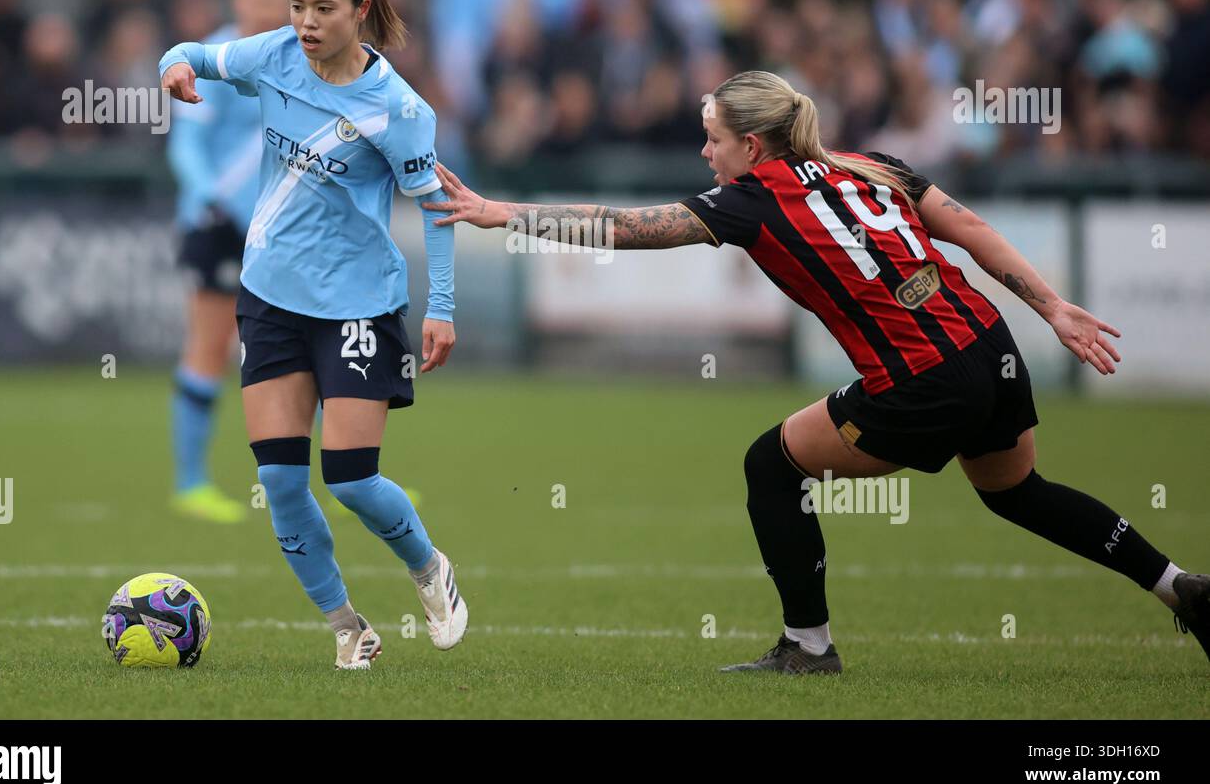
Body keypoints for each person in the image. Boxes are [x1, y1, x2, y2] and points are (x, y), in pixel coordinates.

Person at [424, 69, 1209, 674]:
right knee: (1017, 493)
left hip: (920, 380)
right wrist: (1054, 307)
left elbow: (627, 228)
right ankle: (1180, 587)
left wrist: (504, 213)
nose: (706, 152)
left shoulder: (749, 200)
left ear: (753, 148)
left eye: (713, 138)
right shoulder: (870, 164)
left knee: (772, 463)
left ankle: (808, 645)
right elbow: (969, 230)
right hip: (991, 348)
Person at [159, 0, 468, 670]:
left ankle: (429, 569)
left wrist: (443, 305)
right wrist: (172, 64)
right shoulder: (272, 54)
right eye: (296, 6)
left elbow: (437, 208)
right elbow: (196, 52)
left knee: (354, 479)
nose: (305, 21)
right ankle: (346, 627)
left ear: (361, 10)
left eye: (322, 9)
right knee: (279, 481)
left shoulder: (399, 109)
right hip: (268, 297)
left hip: (360, 306)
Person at [166, 0, 290, 523]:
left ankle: (331, 479)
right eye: (260, 3)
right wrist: (213, 198)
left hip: (278, 225)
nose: (269, 14)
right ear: (238, 2)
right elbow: (186, 146)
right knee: (211, 348)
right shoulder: (214, 59)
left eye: (278, 5)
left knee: (302, 349)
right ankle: (191, 483)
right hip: (217, 226)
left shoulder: (297, 59)